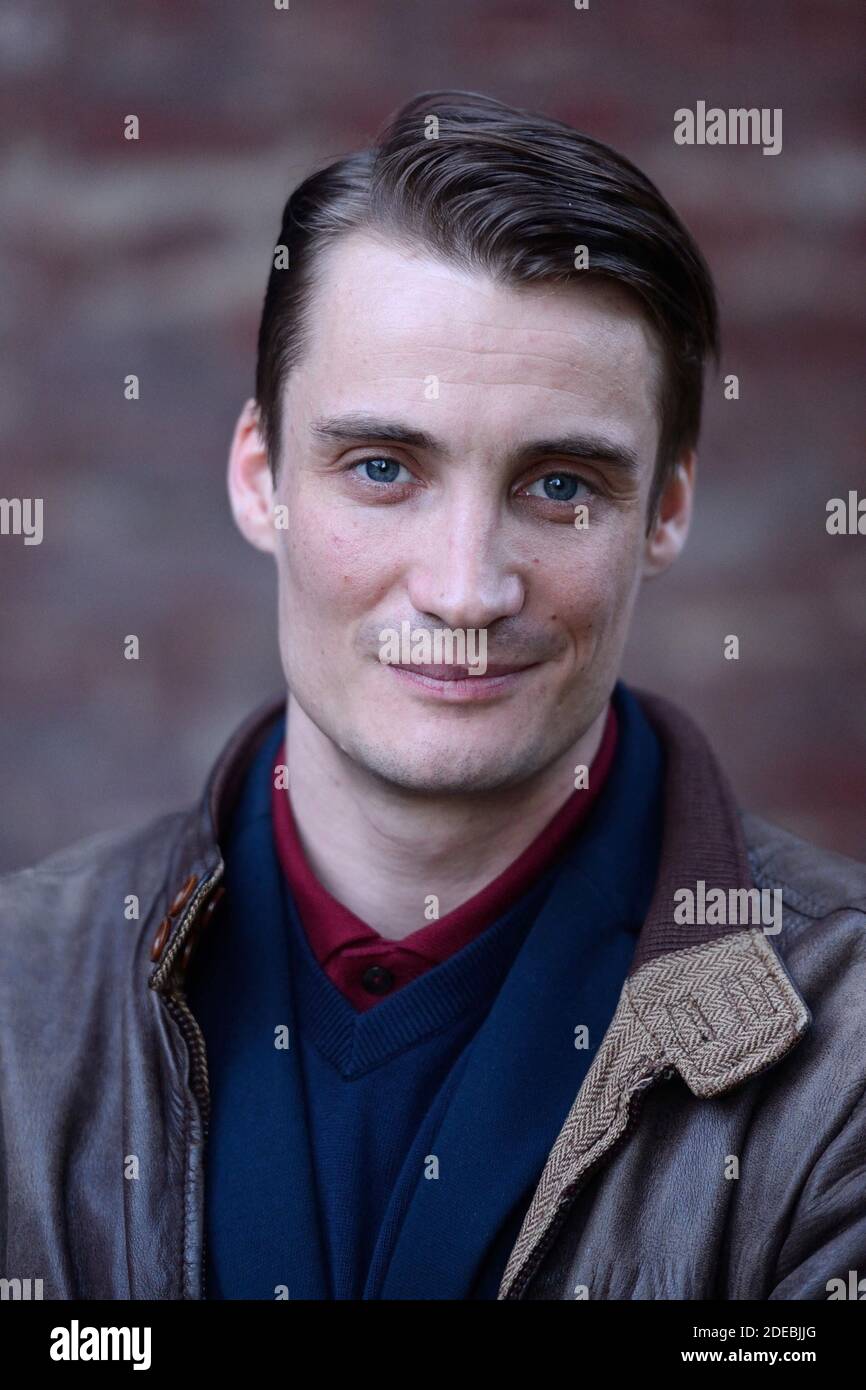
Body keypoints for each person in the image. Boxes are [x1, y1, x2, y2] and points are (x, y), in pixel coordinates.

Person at [2, 91, 864, 1302]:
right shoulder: (16, 998)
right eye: (380, 468)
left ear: (665, 511)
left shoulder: (847, 1048)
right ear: (260, 477)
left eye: (559, 484)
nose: (466, 589)